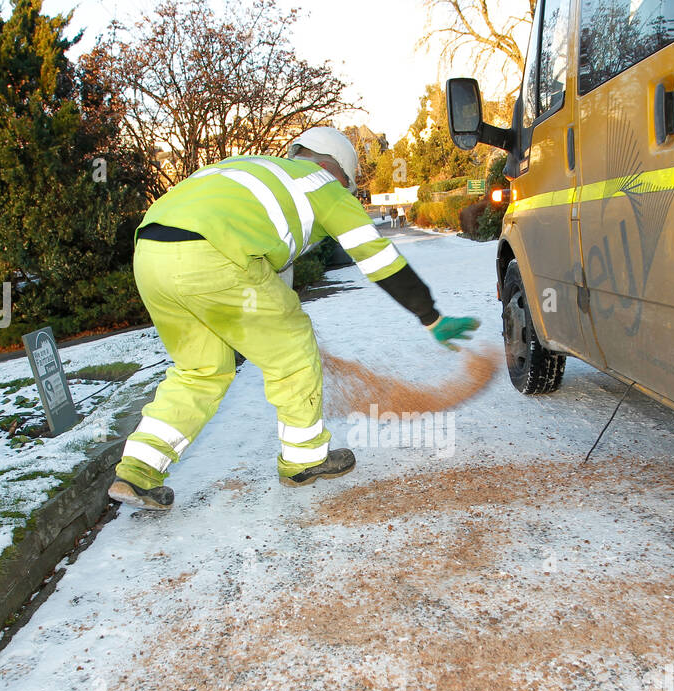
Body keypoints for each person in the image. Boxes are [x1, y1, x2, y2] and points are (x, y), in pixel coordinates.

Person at [107, 126, 480, 512]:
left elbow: (268, 268)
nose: (346, 192)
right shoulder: (324, 187)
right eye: (348, 185)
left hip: (150, 254)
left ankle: (139, 469)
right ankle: (305, 459)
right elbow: (379, 259)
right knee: (294, 347)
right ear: (338, 172)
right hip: (214, 253)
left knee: (200, 370)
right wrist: (430, 316)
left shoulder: (249, 169)